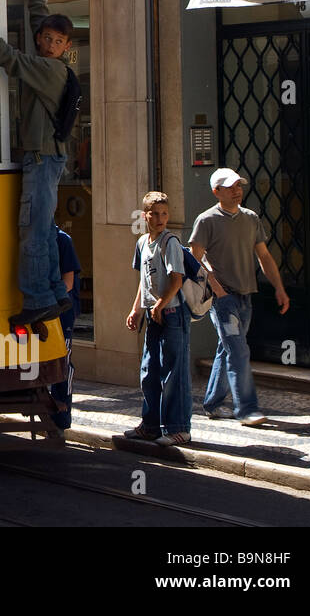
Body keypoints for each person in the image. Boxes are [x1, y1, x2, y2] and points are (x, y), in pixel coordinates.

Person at [0, 0, 74, 326]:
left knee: (32, 230)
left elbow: (10, 59)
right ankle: (55, 294)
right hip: (49, 156)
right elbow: (38, 17)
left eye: (56, 41)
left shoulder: (49, 69)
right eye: (47, 38)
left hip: (42, 157)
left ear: (64, 48)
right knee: (44, 230)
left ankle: (36, 300)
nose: (47, 43)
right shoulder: (53, 60)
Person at [189, 167, 289, 427]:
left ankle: (211, 403)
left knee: (228, 349)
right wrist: (216, 286)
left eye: (238, 186)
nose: (236, 190)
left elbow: (264, 256)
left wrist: (279, 287)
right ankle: (247, 408)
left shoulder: (251, 218)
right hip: (223, 300)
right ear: (216, 191)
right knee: (239, 350)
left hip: (246, 296)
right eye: (230, 186)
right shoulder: (206, 220)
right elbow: (194, 260)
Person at [125, 191, 191, 446]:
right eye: (155, 214)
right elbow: (144, 282)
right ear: (146, 216)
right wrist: (136, 310)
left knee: (174, 372)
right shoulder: (142, 243)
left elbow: (177, 279)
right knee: (149, 372)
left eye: (165, 213)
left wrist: (161, 305)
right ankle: (150, 425)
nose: (161, 218)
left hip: (173, 314)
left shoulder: (170, 242)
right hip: (154, 314)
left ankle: (179, 428)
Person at [49, 223, 82, 431]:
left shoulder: (62, 239)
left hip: (62, 314)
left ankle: (62, 416)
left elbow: (67, 282)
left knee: (63, 362)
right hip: (47, 313)